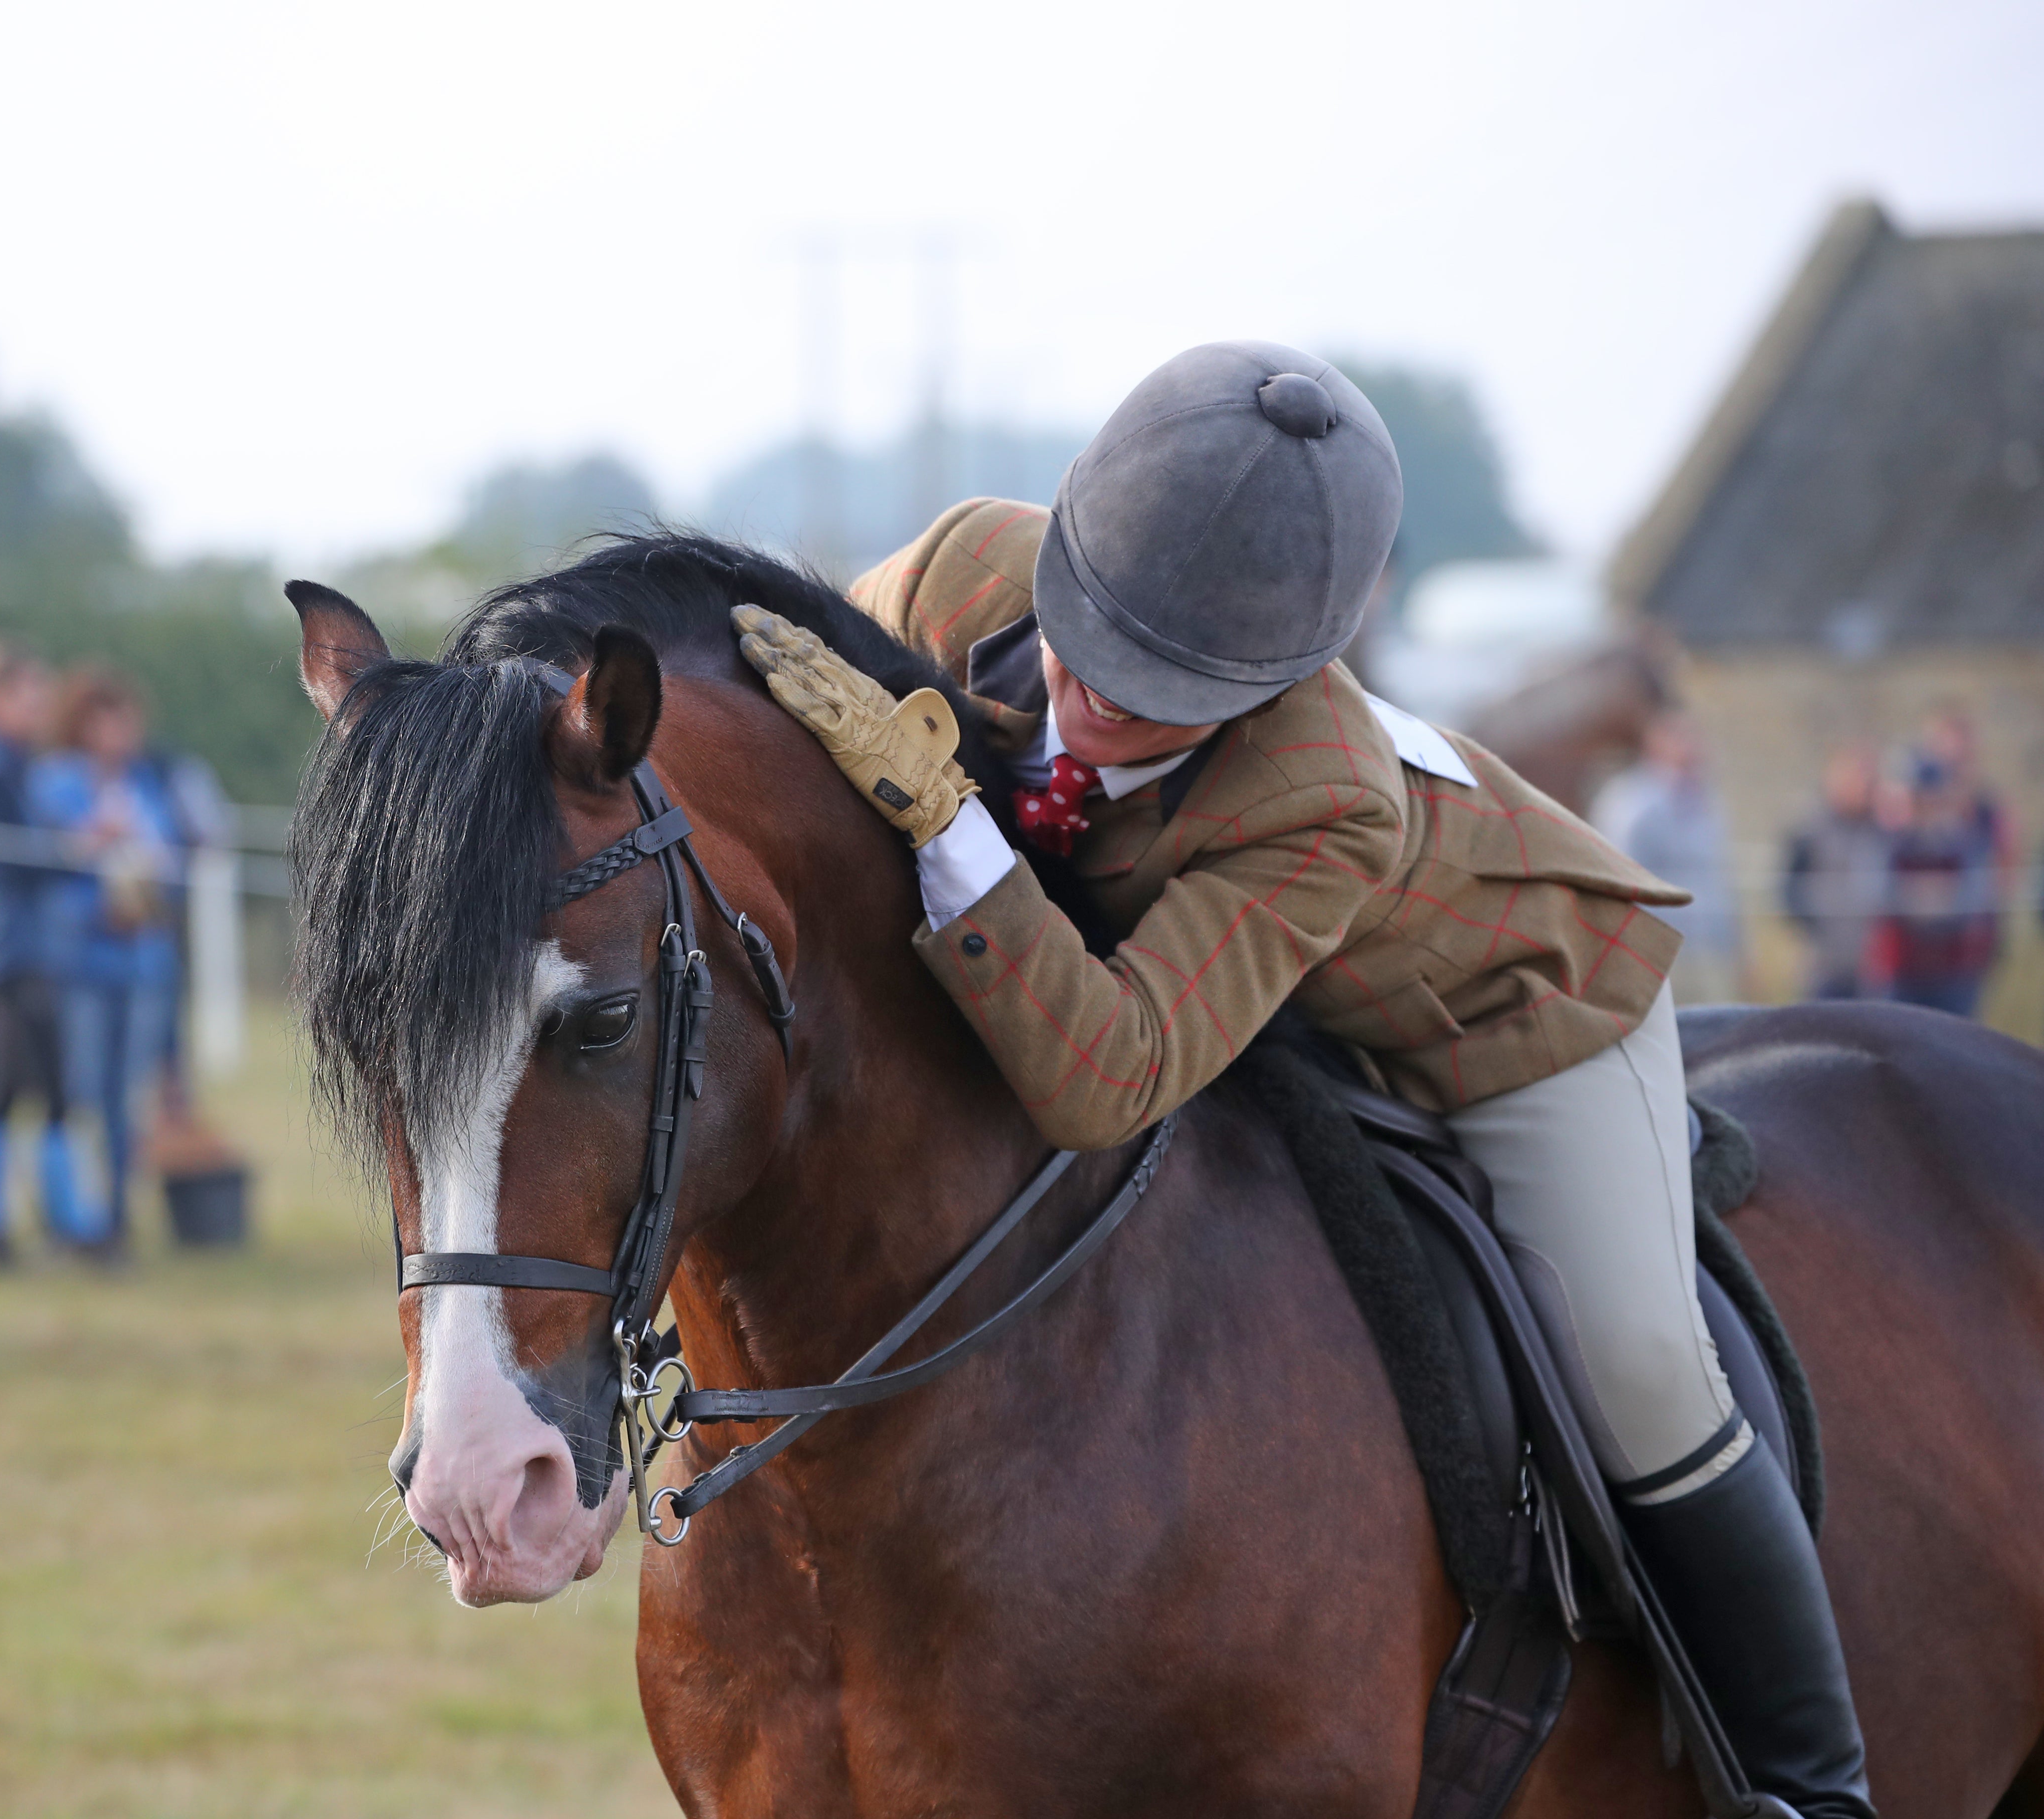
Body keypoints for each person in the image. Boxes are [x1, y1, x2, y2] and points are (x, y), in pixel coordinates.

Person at [735, 343, 1872, 1818]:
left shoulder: (1321, 780)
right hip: (1248, 998)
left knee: (1644, 1366)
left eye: (1151, 701)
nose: (1086, 707)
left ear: (1271, 687)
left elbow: (1111, 1072)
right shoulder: (964, 563)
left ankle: (1810, 1780)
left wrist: (950, 824)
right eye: (1083, 643)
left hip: (1514, 1014)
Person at [0, 645, 97, 1261]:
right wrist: (79, 850)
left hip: (20, 951)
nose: (38, 706)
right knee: (14, 1093)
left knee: (23, 1093)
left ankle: (19, 1222)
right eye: (25, 694)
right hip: (6, 956)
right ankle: (8, 1224)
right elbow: (20, 861)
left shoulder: (7, 764)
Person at [32, 666, 181, 1255]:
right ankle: (72, 1219)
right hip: (82, 966)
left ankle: (116, 1215)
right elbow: (47, 871)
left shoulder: (149, 784)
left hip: (141, 965)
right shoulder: (56, 785)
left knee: (127, 1101)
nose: (120, 731)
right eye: (107, 719)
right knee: (79, 1094)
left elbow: (171, 866)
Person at [1592, 710, 1745, 1005]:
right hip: (1655, 951)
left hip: (1708, 948)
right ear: (1657, 744)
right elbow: (1617, 875)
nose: (1694, 746)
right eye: (1682, 738)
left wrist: (1740, 951)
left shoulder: (1706, 801)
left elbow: (1719, 880)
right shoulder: (1631, 802)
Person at [1877, 738, 2002, 1019]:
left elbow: (1976, 898)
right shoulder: (1891, 844)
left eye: (1930, 799)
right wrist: (1926, 899)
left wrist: (1929, 900)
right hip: (1902, 971)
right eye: (1917, 799)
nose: (1924, 808)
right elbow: (1877, 896)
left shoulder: (1964, 844)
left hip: (1954, 972)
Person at [1782, 744, 1891, 1000]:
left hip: (1871, 966)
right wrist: (1814, 925)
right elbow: (1790, 887)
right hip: (1823, 963)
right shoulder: (1810, 829)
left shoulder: (1882, 830)